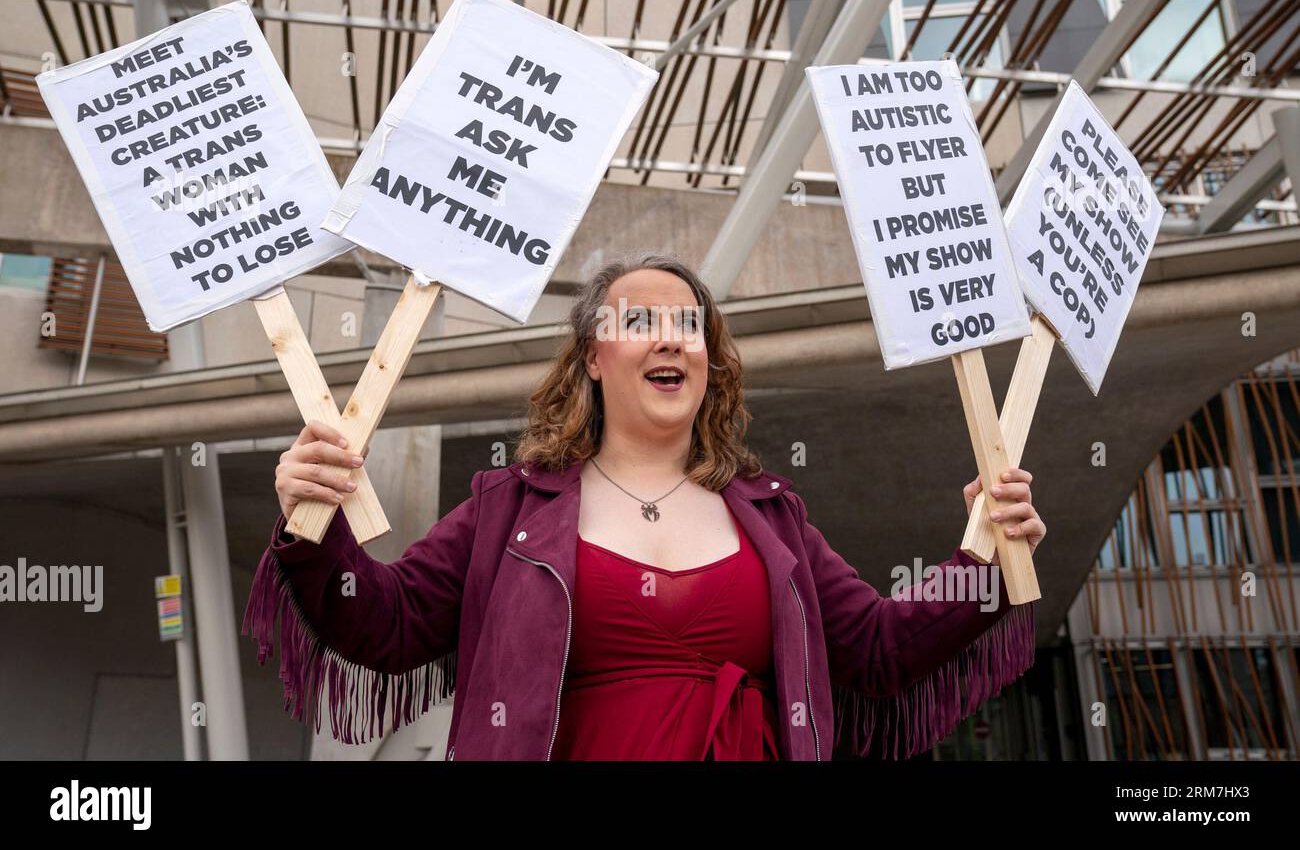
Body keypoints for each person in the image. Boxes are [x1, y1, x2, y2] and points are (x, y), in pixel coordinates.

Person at [243, 252, 1044, 760]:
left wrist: (984, 557)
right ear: (595, 355)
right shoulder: (508, 506)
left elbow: (878, 647)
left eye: (687, 327)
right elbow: (381, 624)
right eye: (641, 323)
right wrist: (313, 524)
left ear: (707, 360)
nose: (670, 340)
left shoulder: (774, 517)